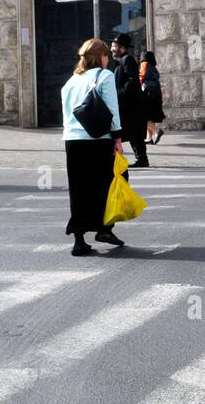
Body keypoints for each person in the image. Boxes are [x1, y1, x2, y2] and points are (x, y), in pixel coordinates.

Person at [59, 38, 126, 255]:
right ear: (101, 56)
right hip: (98, 140)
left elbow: (67, 114)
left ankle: (79, 240)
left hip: (72, 141)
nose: (108, 59)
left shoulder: (70, 81)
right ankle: (105, 228)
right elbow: (112, 109)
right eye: (107, 55)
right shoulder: (104, 76)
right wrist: (117, 138)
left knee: (79, 189)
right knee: (112, 182)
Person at [111, 32, 148, 168]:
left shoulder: (127, 59)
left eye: (114, 46)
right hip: (127, 104)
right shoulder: (121, 60)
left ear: (121, 47)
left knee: (133, 132)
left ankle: (141, 159)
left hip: (130, 105)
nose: (111, 49)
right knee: (133, 133)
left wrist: (120, 93)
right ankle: (141, 159)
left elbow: (132, 81)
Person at [141, 50, 165, 145]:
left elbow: (141, 77)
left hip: (147, 94)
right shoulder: (153, 67)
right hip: (156, 94)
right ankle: (149, 138)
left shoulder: (144, 64)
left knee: (143, 116)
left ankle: (157, 131)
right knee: (150, 116)